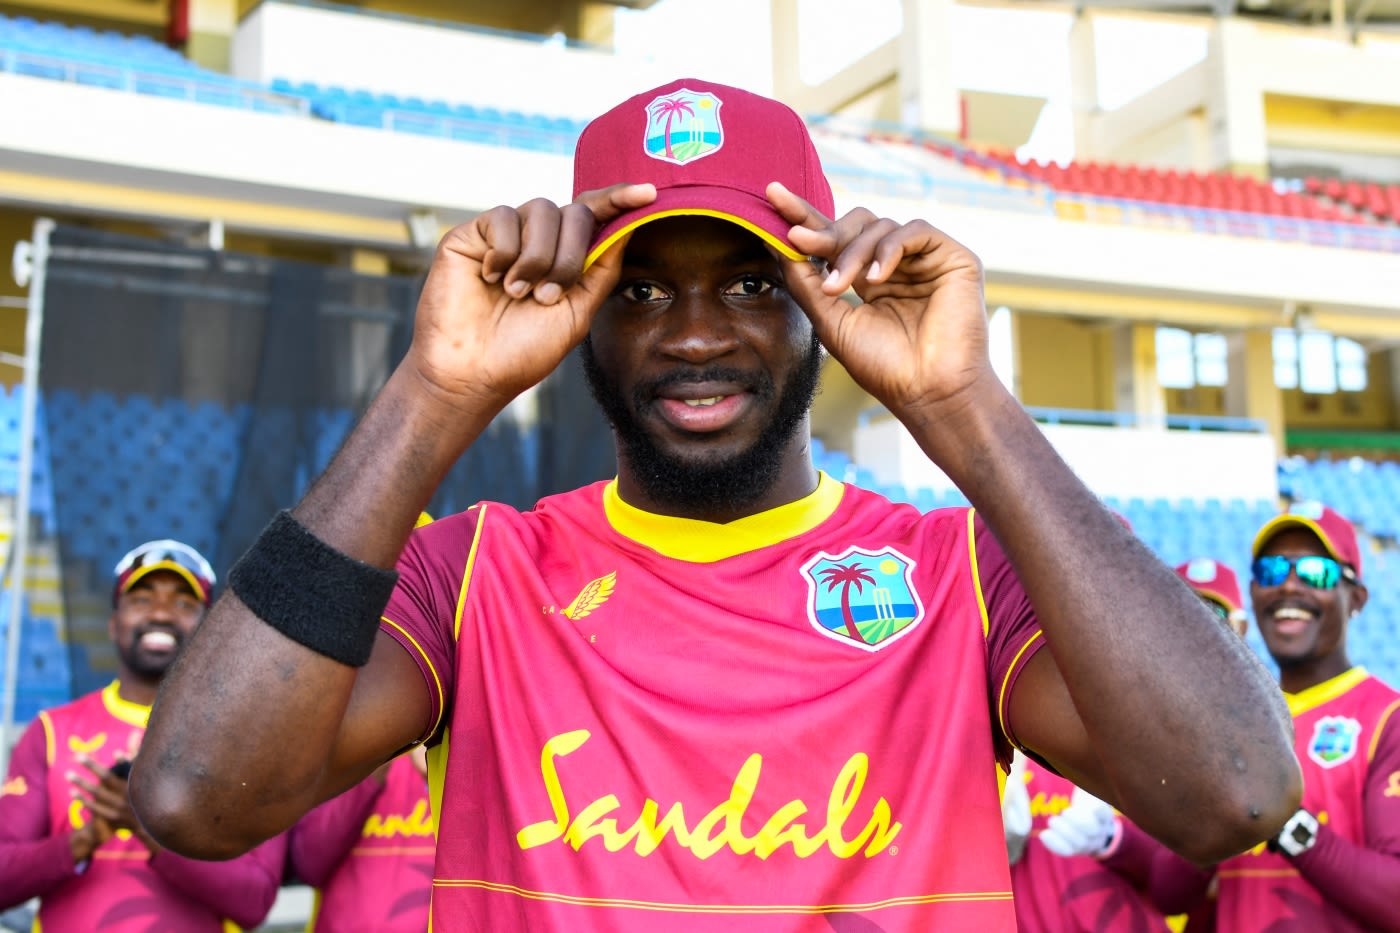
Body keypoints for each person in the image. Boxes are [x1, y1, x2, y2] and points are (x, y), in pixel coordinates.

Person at [129, 77, 1301, 931]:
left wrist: (962, 405)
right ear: (583, 312)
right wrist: (436, 391)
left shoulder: (959, 572)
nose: (694, 335)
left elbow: (1232, 796)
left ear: (821, 295)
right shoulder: (473, 571)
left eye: (748, 282)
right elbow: (193, 800)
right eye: (638, 288)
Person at [0, 539, 285, 932]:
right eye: (141, 599)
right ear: (114, 624)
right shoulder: (51, 731)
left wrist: (145, 827)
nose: (161, 613)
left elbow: (254, 900)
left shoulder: (241, 737)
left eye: (185, 604)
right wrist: (84, 840)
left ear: (210, 629)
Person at [1155, 504, 1400, 932]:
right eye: (1271, 572)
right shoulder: (1228, 725)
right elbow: (1170, 893)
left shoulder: (1387, 718)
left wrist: (1285, 823)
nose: (1288, 586)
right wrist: (1210, 810)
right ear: (1253, 593)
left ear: (1356, 598)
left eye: (1314, 572)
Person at [1003, 557, 1249, 933]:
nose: (1193, 630)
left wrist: (1114, 843)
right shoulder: (1021, 710)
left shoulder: (1223, 751)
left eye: (1212, 615)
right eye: (1177, 611)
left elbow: (1187, 889)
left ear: (1240, 628)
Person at [287, 745, 433, 933]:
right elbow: (310, 865)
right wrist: (377, 758)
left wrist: (438, 777)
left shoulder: (467, 749)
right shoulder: (348, 749)